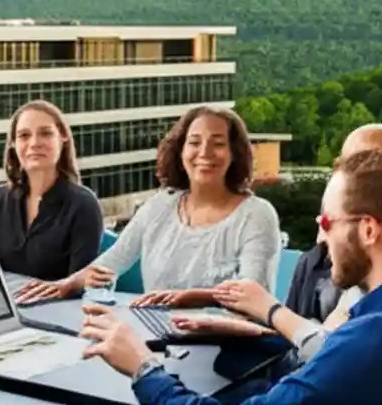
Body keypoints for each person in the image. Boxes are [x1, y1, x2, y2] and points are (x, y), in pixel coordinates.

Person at [79, 146, 382, 405]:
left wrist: (142, 366)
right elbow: (340, 362)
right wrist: (262, 336)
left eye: (326, 221)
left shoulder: (376, 338)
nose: (319, 236)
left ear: (368, 230)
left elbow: (352, 358)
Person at [181, 124, 382, 359]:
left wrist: (268, 309)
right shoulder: (313, 263)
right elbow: (296, 343)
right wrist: (243, 326)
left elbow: (328, 354)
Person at [18, 105, 281, 306]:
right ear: (180, 151)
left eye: (218, 144)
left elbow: (252, 294)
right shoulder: (160, 205)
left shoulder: (257, 215)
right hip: (159, 334)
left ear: (235, 153)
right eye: (194, 142)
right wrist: (65, 285)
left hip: (228, 346)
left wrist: (187, 298)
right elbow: (114, 261)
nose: (205, 153)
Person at [0, 100, 105, 290]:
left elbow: (81, 285)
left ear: (63, 138)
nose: (34, 143)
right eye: (24, 136)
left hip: (57, 313)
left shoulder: (83, 205)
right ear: (14, 145)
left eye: (46, 134)